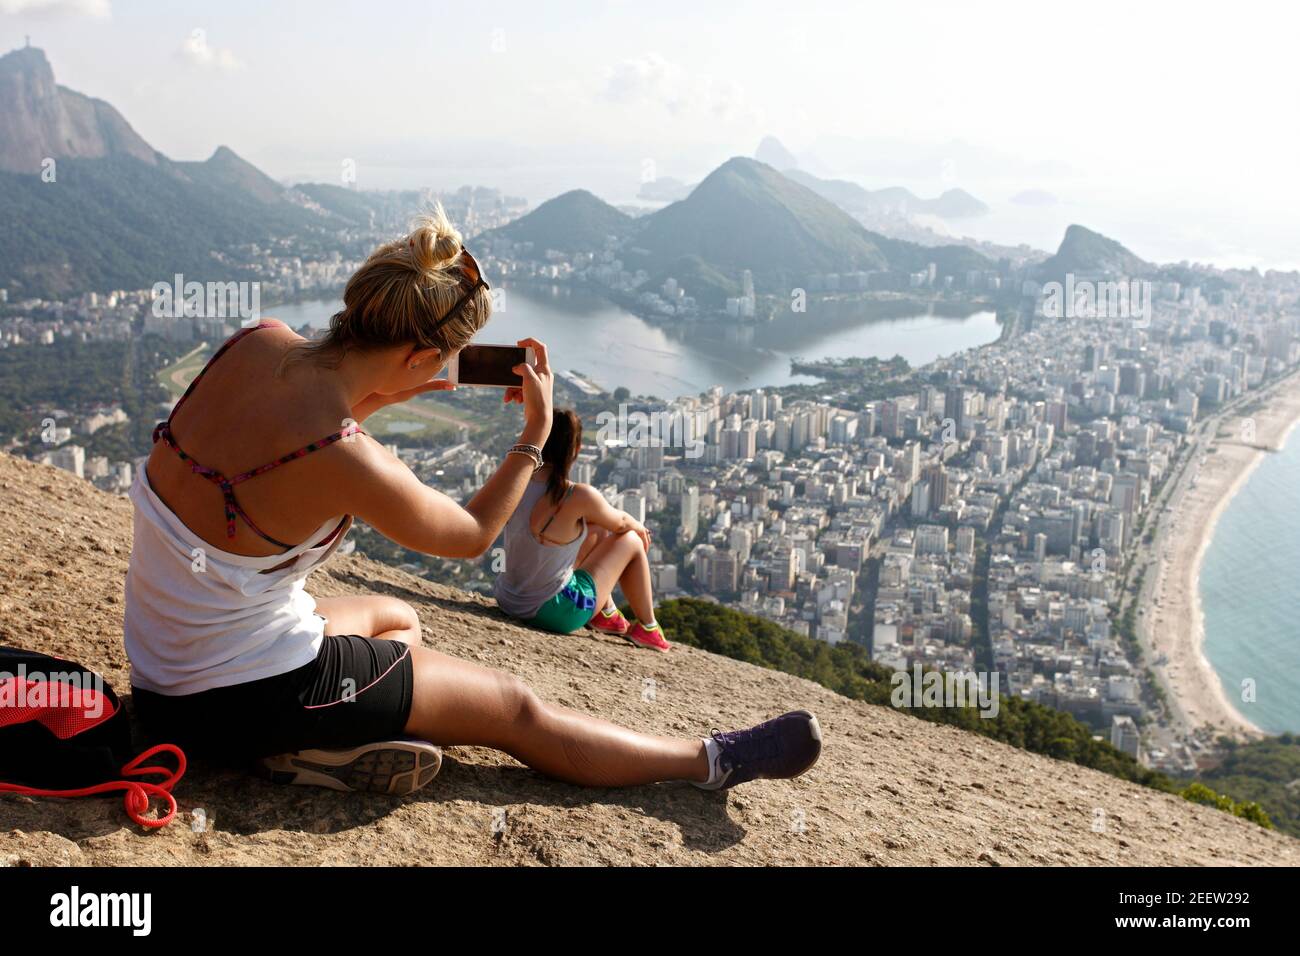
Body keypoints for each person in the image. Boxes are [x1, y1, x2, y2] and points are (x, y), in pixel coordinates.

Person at [124, 207, 821, 796]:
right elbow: (468, 535)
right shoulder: (342, 457)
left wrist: (405, 379)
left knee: (397, 617)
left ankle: (328, 741)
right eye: (440, 361)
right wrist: (534, 436)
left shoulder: (256, 341)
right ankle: (711, 759)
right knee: (514, 708)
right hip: (232, 700)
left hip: (161, 669)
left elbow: (305, 409)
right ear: (424, 357)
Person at [494, 408, 670, 651]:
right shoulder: (577, 495)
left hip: (508, 598)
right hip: (554, 612)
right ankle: (649, 628)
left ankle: (606, 614)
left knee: (596, 528)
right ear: (574, 451)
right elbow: (621, 524)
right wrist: (639, 527)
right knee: (631, 539)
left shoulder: (516, 479)